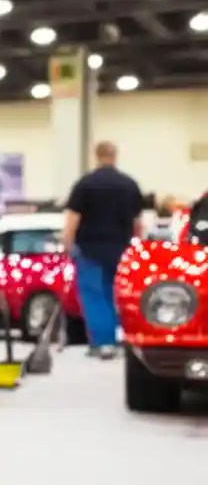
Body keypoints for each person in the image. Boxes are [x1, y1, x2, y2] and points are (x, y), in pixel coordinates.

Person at [60, 141, 144, 359]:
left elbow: (73, 219)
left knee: (95, 296)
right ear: (115, 156)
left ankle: (102, 342)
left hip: (90, 250)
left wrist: (66, 245)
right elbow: (138, 223)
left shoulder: (85, 184)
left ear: (96, 156)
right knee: (118, 296)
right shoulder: (129, 185)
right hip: (121, 250)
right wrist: (137, 247)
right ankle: (119, 339)